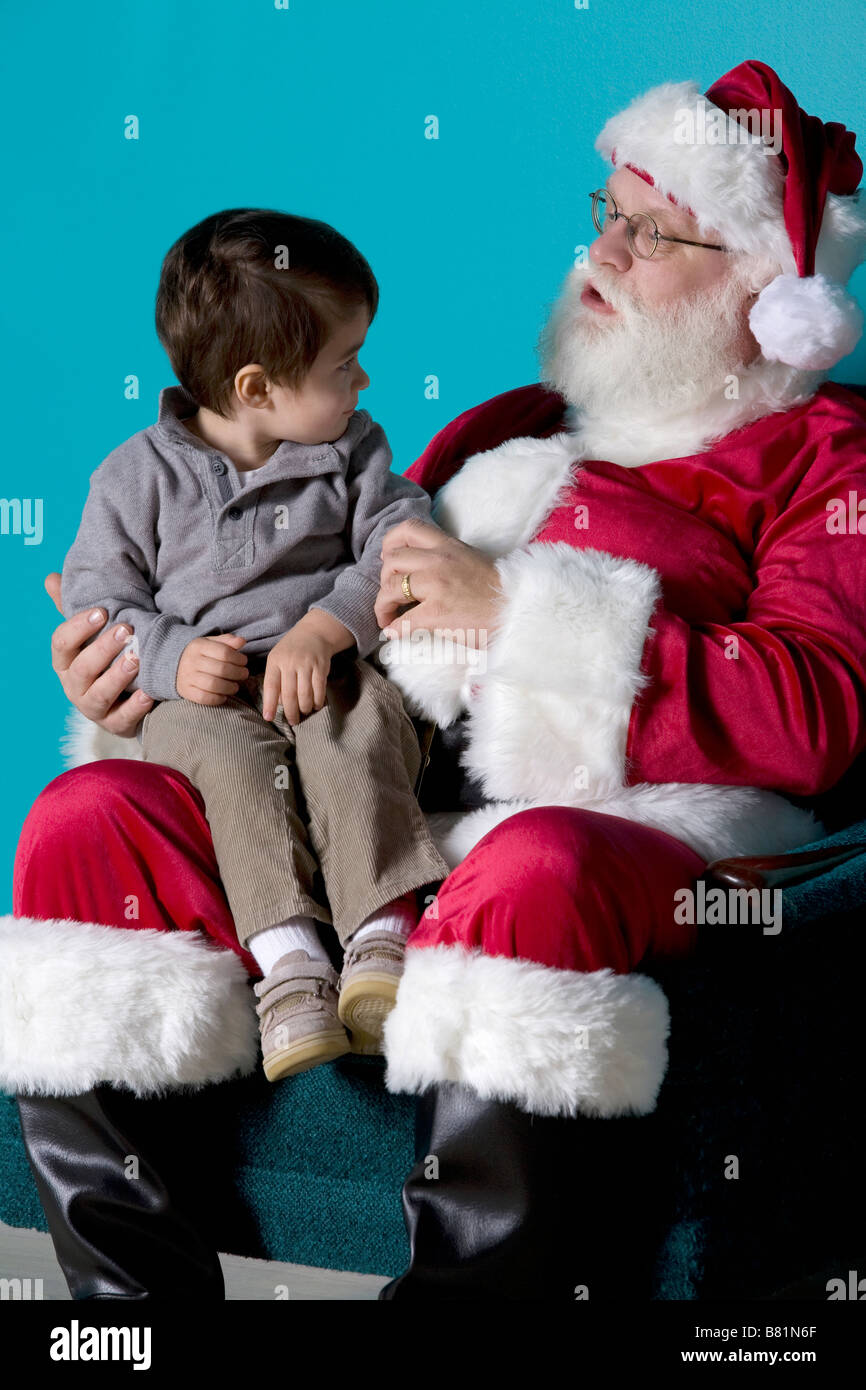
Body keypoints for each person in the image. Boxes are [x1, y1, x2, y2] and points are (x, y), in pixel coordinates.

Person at [6, 58, 866, 1300]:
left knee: (534, 866)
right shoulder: (503, 421)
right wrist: (133, 665)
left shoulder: (825, 460)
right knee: (86, 817)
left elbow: (813, 715)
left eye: (653, 230)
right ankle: (131, 1324)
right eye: (602, 213)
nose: (603, 254)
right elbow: (302, 611)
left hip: (633, 833)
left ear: (759, 287)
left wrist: (519, 613)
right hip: (377, 800)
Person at [57, 208, 451, 1079]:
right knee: (228, 765)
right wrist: (167, 656)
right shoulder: (134, 478)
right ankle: (292, 967)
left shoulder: (352, 452)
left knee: (355, 728)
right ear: (257, 388)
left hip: (322, 671)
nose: (364, 380)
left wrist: (326, 628)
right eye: (343, 364)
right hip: (206, 697)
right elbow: (97, 598)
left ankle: (381, 938)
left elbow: (401, 538)